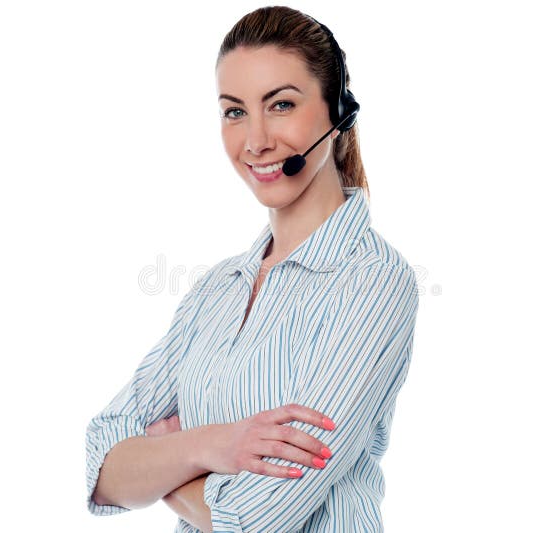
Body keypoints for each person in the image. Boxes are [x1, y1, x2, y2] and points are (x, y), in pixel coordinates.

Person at [85, 6, 420, 532]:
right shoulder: (216, 289)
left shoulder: (373, 281)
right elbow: (101, 466)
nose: (256, 141)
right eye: (234, 111)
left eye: (281, 104)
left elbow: (257, 518)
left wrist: (162, 464)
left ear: (338, 113)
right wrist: (210, 444)